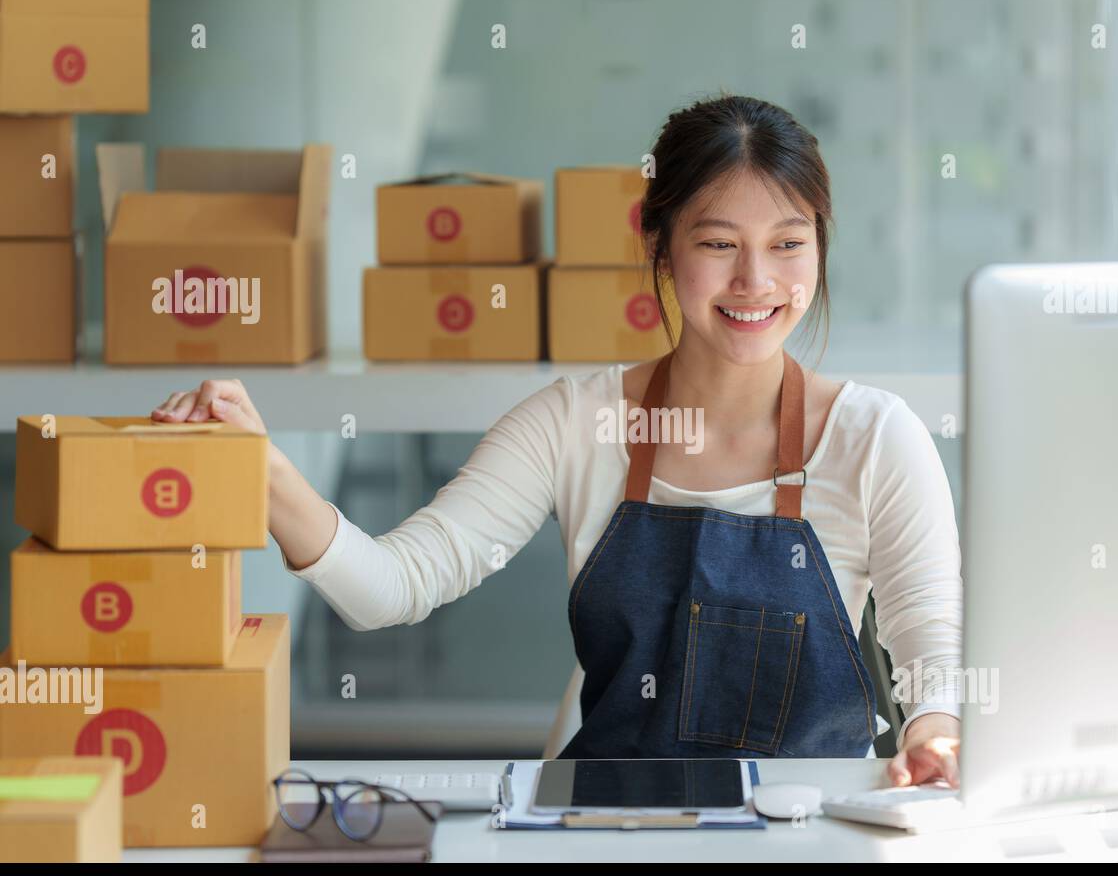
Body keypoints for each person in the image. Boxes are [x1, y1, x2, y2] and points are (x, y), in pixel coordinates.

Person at [152, 93, 963, 786]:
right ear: (657, 241)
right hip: (613, 823)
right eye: (719, 244)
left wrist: (931, 731)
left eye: (788, 244)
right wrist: (261, 470)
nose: (756, 282)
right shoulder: (572, 424)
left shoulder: (874, 438)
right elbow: (391, 587)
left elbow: (928, 635)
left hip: (813, 831)